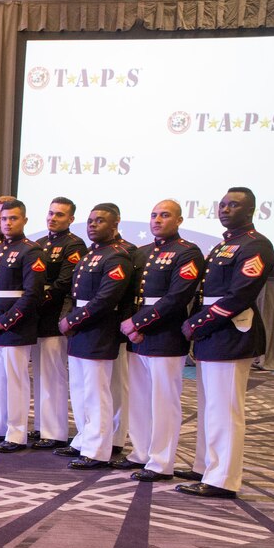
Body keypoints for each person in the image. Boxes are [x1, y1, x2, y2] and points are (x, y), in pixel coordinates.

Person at [177, 187, 274, 498]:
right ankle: (205, 465)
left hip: (231, 332)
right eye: (223, 204)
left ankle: (222, 479)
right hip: (214, 333)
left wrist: (197, 322)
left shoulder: (255, 244)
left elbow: (240, 295)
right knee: (209, 406)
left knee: (225, 409)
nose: (226, 209)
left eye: (234, 205)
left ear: (251, 210)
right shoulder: (225, 244)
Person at [109, 200, 203, 481]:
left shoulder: (187, 253)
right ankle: (140, 452)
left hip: (165, 335)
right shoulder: (142, 253)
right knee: (138, 398)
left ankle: (161, 462)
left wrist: (137, 324)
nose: (157, 220)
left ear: (179, 220)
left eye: (165, 215)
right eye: (154, 215)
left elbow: (176, 298)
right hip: (137, 335)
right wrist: (130, 327)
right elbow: (128, 294)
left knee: (164, 401)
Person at [56, 204, 134, 469]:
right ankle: (84, 438)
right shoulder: (91, 254)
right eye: (90, 220)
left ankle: (98, 448)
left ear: (114, 225)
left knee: (96, 392)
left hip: (99, 329)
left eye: (100, 221)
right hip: (82, 329)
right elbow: (75, 295)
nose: (93, 225)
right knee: (79, 389)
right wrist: (69, 318)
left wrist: (73, 320)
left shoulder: (117, 256)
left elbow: (105, 299)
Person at [0, 199, 45, 452]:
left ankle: (16, 433)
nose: (8, 223)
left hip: (15, 327)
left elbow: (32, 294)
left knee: (15, 381)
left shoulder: (31, 251)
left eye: (13, 218)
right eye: (4, 219)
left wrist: (4, 322)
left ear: (24, 220)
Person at [30, 197, 86, 450]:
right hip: (36, 316)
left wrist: (35, 298)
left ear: (71, 219)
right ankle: (42, 425)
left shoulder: (74, 245)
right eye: (51, 213)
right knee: (40, 374)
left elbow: (65, 282)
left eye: (60, 215)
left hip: (55, 315)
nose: (53, 218)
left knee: (54, 374)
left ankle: (55, 431)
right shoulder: (40, 244)